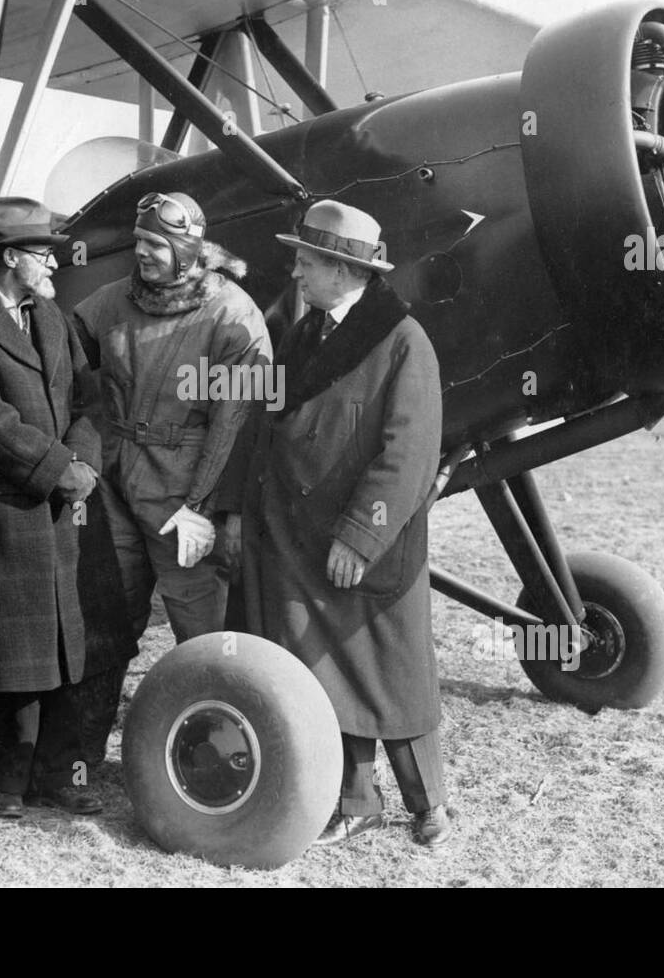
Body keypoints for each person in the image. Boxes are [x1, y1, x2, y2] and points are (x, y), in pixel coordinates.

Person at [231, 199, 452, 848]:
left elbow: (409, 453)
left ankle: (428, 804)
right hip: (300, 540)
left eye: (307, 261)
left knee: (395, 673)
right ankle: (357, 800)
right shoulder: (305, 334)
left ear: (342, 269)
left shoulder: (404, 342)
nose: (296, 272)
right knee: (327, 675)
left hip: (369, 547)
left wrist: (360, 537)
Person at [0, 197, 103, 818]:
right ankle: (9, 780)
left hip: (62, 504)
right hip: (9, 510)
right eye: (45, 255)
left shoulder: (54, 318)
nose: (56, 266)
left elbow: (90, 400)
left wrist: (82, 464)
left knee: (65, 646)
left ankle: (59, 776)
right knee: (15, 652)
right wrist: (63, 471)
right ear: (11, 258)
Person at [72, 191, 271, 645]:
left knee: (202, 628)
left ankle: (212, 713)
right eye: (139, 240)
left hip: (184, 490)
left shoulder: (232, 315)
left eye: (156, 244)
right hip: (115, 480)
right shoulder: (113, 300)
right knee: (108, 616)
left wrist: (201, 508)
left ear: (185, 252)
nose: (141, 251)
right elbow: (60, 357)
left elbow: (236, 423)